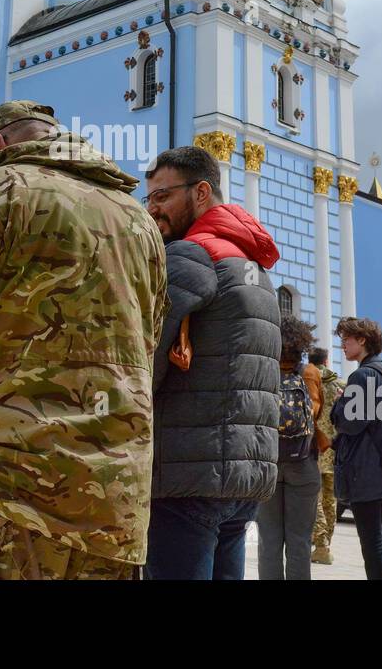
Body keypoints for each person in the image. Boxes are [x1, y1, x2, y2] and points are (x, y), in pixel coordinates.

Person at [0, 102, 168, 579]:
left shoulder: (2, 187)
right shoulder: (139, 220)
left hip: (11, 486)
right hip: (116, 499)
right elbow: (149, 341)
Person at [141, 145, 281, 580]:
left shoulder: (191, 255)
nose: (152, 210)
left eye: (162, 197)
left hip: (189, 475)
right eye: (149, 198)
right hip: (243, 476)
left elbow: (147, 362)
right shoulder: (253, 266)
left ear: (201, 192)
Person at [331, 317, 382, 581]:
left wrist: (339, 404)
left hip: (366, 469)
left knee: (372, 543)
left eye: (346, 340)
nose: (342, 346)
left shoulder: (362, 375)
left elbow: (349, 424)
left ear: (362, 340)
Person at [256, 316, 322, 580]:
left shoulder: (263, 370)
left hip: (269, 462)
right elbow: (317, 414)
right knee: (299, 541)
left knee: (268, 541)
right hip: (303, 462)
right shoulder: (310, 373)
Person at [310, 345, 344, 565]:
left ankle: (321, 545)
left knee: (315, 500)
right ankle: (326, 543)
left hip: (313, 450)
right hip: (334, 451)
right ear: (327, 361)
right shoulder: (342, 385)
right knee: (331, 501)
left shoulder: (309, 382)